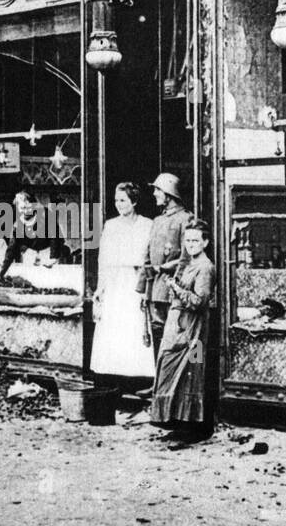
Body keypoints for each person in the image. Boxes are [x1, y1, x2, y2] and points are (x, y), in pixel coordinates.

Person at [150, 219, 215, 439]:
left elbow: (199, 302)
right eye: (187, 240)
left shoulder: (205, 268)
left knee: (193, 370)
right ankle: (177, 422)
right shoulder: (189, 263)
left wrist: (175, 288)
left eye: (196, 240)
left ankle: (193, 427)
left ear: (205, 242)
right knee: (169, 365)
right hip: (178, 324)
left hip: (194, 330)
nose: (191, 244)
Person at [136, 173, 194, 395]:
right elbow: (147, 255)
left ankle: (176, 386)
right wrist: (143, 288)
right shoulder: (158, 221)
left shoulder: (186, 220)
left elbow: (188, 256)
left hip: (173, 289)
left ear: (169, 193)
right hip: (155, 290)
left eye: (158, 190)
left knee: (176, 338)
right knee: (158, 335)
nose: (154, 194)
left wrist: (169, 274)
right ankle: (159, 383)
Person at [89, 182, 155, 379]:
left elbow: (151, 256)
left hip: (137, 281)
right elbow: (103, 258)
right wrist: (101, 287)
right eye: (116, 200)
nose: (118, 204)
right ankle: (114, 376)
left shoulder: (147, 225)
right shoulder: (111, 225)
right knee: (114, 326)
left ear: (134, 201)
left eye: (123, 200)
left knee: (135, 325)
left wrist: (146, 285)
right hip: (115, 281)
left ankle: (138, 377)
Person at [0, 191, 71, 278]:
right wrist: (1, 274)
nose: (25, 210)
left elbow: (54, 236)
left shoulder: (45, 214)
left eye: (27, 206)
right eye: (21, 208)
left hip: (51, 252)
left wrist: (53, 258)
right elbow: (11, 250)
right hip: (32, 254)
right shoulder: (18, 226)